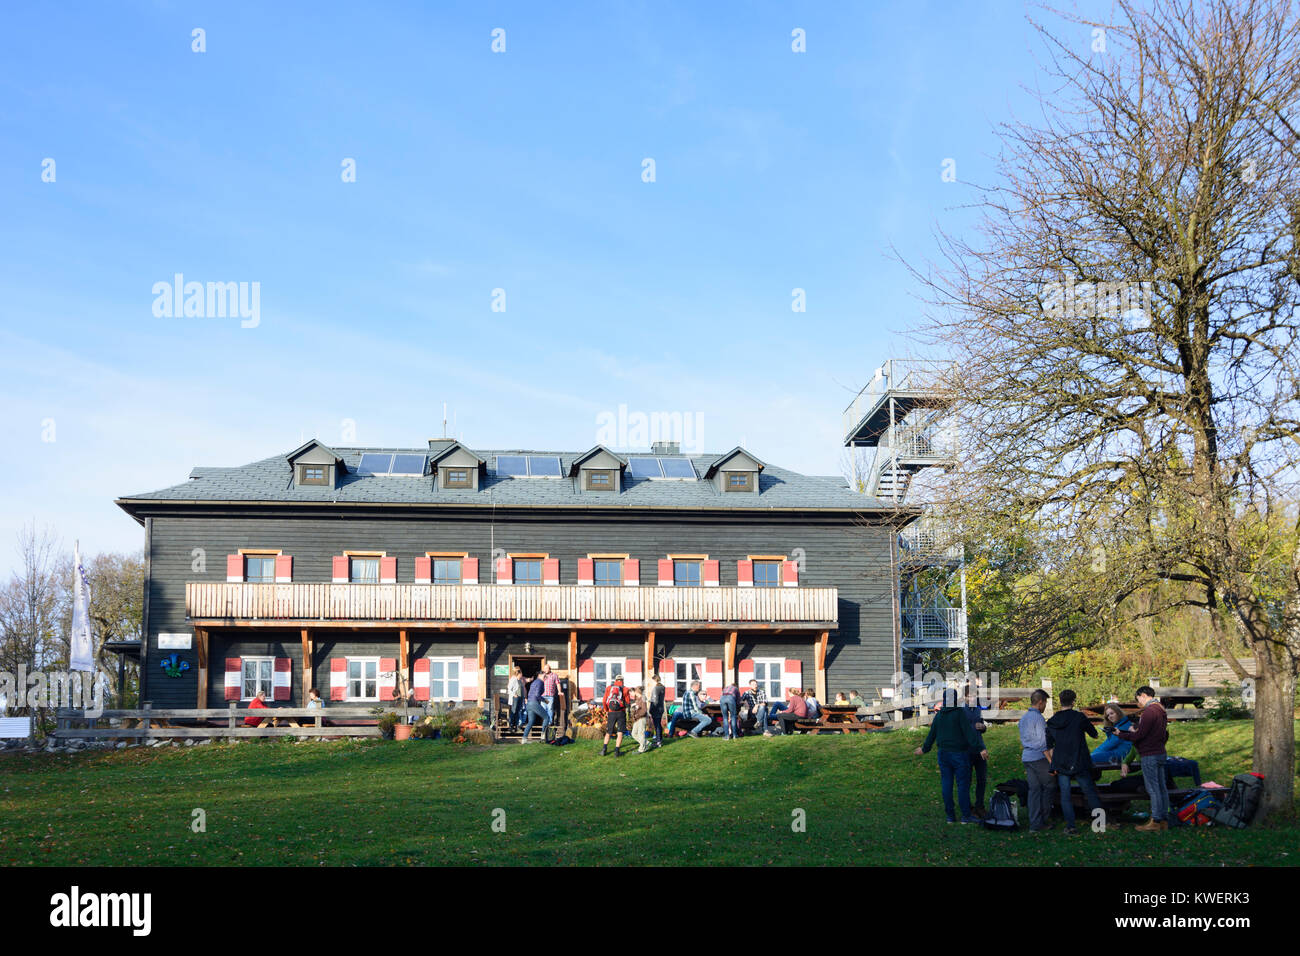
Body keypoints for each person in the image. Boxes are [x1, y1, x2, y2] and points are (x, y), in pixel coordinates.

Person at [914, 688, 989, 824]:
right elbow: (969, 733)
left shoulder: (939, 716)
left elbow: (932, 735)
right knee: (962, 785)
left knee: (946, 784)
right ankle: (966, 816)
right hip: (959, 754)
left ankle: (950, 816)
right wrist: (980, 748)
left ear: (944, 700)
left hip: (943, 755)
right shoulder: (959, 713)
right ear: (955, 699)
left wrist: (924, 749)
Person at [1046, 689, 1112, 835]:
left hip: (1061, 761)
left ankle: (1071, 826)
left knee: (1065, 794)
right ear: (1073, 701)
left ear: (1060, 701)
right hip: (1079, 759)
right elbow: (1094, 734)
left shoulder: (1052, 722)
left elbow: (1049, 745)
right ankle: (1100, 823)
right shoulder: (1079, 717)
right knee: (1090, 792)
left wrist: (1053, 762)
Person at [1116, 686, 1170, 832]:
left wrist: (1120, 734)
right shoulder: (1161, 710)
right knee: (1161, 788)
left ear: (1144, 695)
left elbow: (1140, 735)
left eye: (1138, 698)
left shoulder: (1149, 712)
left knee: (1153, 789)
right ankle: (1164, 819)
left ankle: (1156, 820)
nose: (1138, 702)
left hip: (1149, 754)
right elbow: (1162, 734)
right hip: (1160, 752)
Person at [1019, 689, 1054, 832]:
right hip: (1039, 758)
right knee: (1050, 786)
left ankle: (1034, 823)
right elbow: (1042, 743)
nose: (1045, 706)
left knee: (1033, 790)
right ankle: (1043, 819)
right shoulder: (1038, 718)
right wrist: (1051, 761)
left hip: (1027, 757)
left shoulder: (1024, 718)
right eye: (1045, 703)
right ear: (1040, 702)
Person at [962, 683, 990, 817]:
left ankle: (980, 806)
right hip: (966, 750)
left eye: (975, 696)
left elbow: (982, 727)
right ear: (965, 697)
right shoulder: (961, 711)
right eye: (970, 696)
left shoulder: (978, 710)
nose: (973, 698)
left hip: (980, 750)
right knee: (966, 780)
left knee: (982, 779)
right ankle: (967, 807)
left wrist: (983, 727)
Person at [601, 675, 629, 756]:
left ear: (615, 680)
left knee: (608, 731)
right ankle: (617, 752)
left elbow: (604, 701)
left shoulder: (609, 688)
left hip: (611, 712)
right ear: (622, 681)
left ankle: (604, 750)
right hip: (621, 712)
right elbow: (627, 702)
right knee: (620, 732)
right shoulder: (625, 689)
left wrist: (606, 710)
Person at [520, 671, 550, 743]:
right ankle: (543, 737)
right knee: (546, 717)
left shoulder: (534, 682)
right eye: (544, 676)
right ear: (539, 675)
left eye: (546, 676)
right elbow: (537, 695)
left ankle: (524, 739)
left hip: (529, 704)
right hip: (534, 703)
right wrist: (544, 700)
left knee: (531, 722)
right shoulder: (540, 682)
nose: (545, 677)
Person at [628, 687, 651, 754]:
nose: (631, 695)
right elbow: (638, 708)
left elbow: (644, 710)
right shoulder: (637, 699)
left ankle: (642, 749)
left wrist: (637, 715)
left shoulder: (642, 698)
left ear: (636, 692)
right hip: (637, 719)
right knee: (633, 733)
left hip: (641, 718)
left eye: (631, 693)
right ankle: (646, 743)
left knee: (641, 734)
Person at [646, 673, 665, 747]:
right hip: (661, 708)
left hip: (656, 709)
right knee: (658, 724)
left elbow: (655, 701)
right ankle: (659, 739)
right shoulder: (663, 687)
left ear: (655, 680)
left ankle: (658, 742)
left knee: (656, 725)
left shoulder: (656, 688)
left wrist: (650, 710)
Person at [507, 667, 526, 732]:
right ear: (518, 674)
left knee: (518, 712)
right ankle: (511, 726)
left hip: (520, 698)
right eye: (521, 674)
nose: (522, 675)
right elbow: (509, 688)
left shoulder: (520, 680)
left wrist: (524, 697)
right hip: (515, 698)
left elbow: (522, 690)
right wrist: (513, 694)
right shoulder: (513, 679)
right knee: (514, 711)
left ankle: (516, 726)